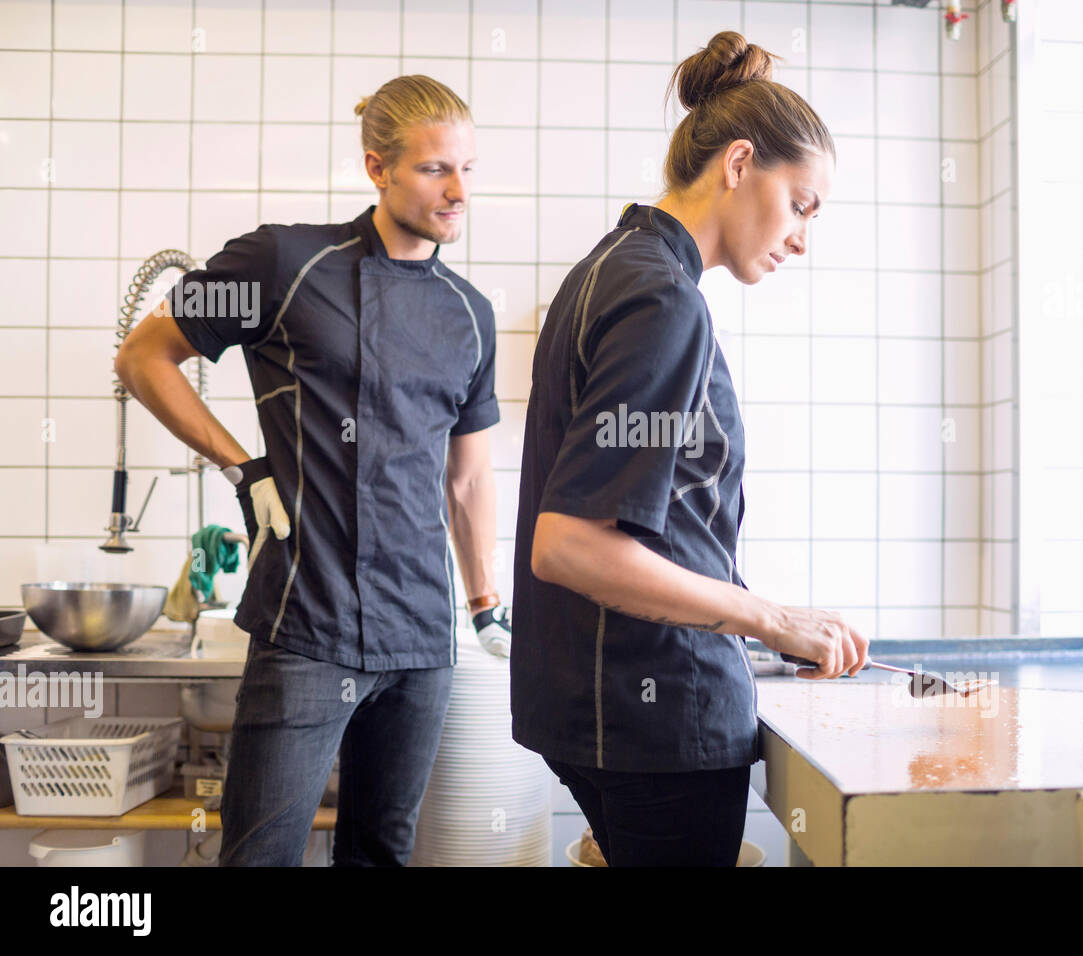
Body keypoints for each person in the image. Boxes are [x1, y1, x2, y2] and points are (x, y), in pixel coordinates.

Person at [114, 75, 510, 866]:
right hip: (308, 628)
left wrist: (485, 602)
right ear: (378, 168)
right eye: (436, 169)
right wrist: (241, 467)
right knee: (261, 856)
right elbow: (145, 356)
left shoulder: (469, 313)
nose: (459, 190)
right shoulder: (286, 263)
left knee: (380, 855)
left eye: (468, 168)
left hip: (422, 641)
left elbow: (466, 478)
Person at [511, 31, 869, 867]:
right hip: (654, 718)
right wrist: (771, 618)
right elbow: (570, 544)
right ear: (740, 163)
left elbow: (648, 520)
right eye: (804, 204)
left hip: (596, 708)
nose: (803, 237)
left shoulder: (610, 269)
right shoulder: (661, 297)